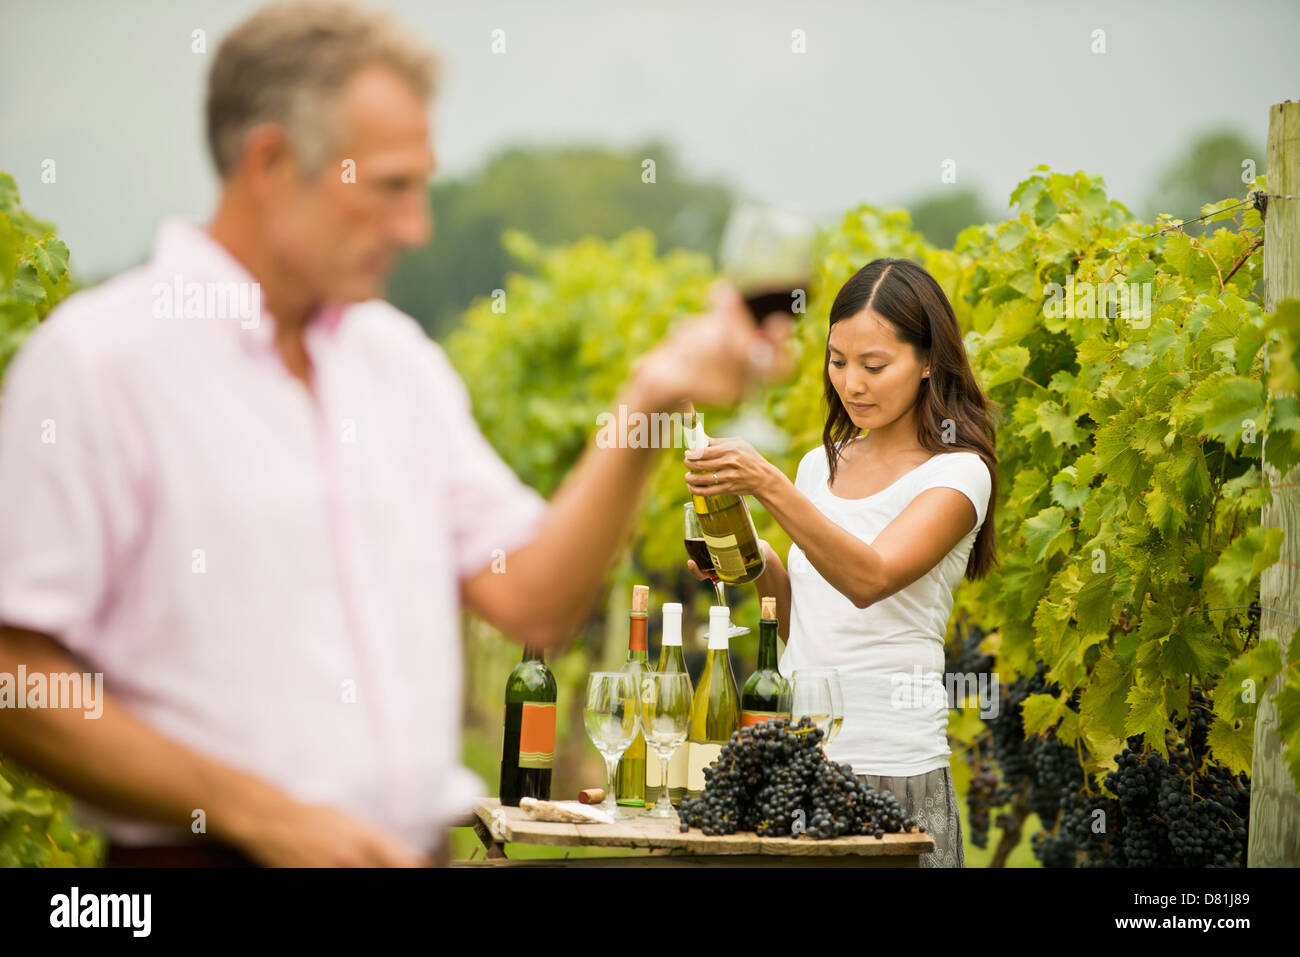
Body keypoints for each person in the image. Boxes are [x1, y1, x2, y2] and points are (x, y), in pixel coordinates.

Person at [0, 0, 790, 867]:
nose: (417, 225)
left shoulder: (396, 362)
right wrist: (258, 815)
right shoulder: (98, 363)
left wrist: (649, 401)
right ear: (271, 163)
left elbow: (533, 598)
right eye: (389, 187)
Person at [683, 257, 998, 867]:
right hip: (799, 760)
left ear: (928, 361)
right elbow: (803, 621)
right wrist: (754, 558)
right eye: (838, 361)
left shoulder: (958, 474)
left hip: (892, 768)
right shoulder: (818, 466)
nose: (852, 384)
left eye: (874, 366)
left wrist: (768, 484)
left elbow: (868, 579)